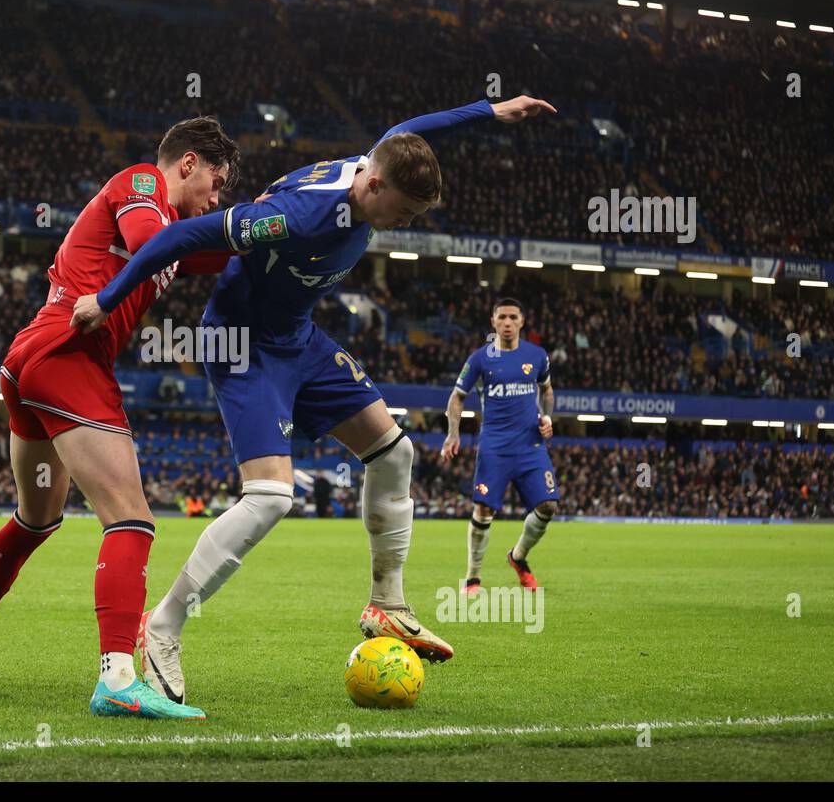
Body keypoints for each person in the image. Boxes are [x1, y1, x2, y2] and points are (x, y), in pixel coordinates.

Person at [74, 95, 555, 705]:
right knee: (272, 497)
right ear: (373, 184)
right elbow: (186, 235)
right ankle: (163, 627)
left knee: (394, 455)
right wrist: (109, 298)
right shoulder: (296, 216)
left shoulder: (378, 163)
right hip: (242, 342)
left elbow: (414, 126)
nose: (402, 223)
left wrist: (493, 111)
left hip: (297, 339)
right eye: (402, 211)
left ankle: (387, 605)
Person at [0, 116, 239, 721]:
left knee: (37, 518)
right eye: (216, 183)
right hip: (68, 355)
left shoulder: (175, 226)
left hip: (32, 363)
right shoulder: (143, 184)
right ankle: (118, 677)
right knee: (132, 520)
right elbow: (153, 242)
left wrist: (274, 229)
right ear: (189, 164)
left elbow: (216, 249)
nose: (216, 198)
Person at [442, 298, 559, 592]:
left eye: (513, 317)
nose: (507, 323)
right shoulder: (480, 359)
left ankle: (518, 558)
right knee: (483, 511)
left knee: (548, 506)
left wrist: (547, 417)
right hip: (494, 447)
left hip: (531, 446)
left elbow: (547, 391)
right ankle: (472, 577)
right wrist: (453, 433)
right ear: (493, 321)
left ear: (522, 321)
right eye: (502, 317)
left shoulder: (538, 356)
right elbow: (456, 397)